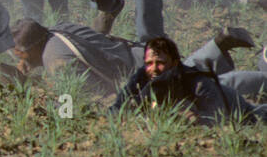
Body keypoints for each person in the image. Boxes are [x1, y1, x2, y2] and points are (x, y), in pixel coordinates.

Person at [10, 18, 264, 102]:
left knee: (203, 88)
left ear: (30, 48)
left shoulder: (54, 59)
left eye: (19, 53)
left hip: (140, 77)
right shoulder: (58, 29)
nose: (19, 58)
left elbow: (86, 95)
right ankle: (215, 47)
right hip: (136, 53)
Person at [112, 35, 267, 125]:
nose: (153, 68)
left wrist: (194, 118)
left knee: (248, 112)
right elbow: (121, 105)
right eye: (149, 64)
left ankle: (215, 48)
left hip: (220, 101)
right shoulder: (144, 77)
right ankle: (214, 48)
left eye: (158, 64)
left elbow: (217, 114)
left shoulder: (194, 82)